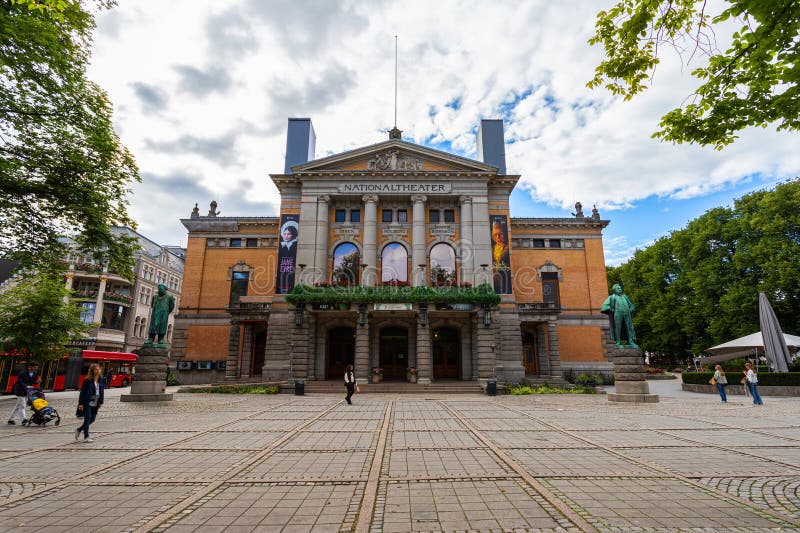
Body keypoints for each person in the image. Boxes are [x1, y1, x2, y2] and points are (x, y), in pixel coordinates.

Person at [601, 284, 638, 349]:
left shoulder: (625, 297)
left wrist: (632, 308)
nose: (620, 289)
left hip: (627, 313)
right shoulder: (612, 297)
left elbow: (631, 305)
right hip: (618, 313)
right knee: (618, 328)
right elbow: (604, 306)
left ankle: (630, 341)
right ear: (614, 290)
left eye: (620, 288)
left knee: (628, 327)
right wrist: (610, 308)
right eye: (618, 288)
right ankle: (618, 342)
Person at [75, 363, 104, 442]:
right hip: (87, 401)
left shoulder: (101, 379)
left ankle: (79, 429)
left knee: (92, 419)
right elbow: (82, 392)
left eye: (99, 369)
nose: (98, 371)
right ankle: (86, 437)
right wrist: (80, 404)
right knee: (87, 418)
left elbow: (102, 391)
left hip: (96, 401)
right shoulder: (87, 380)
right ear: (92, 371)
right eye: (96, 369)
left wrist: (101, 401)